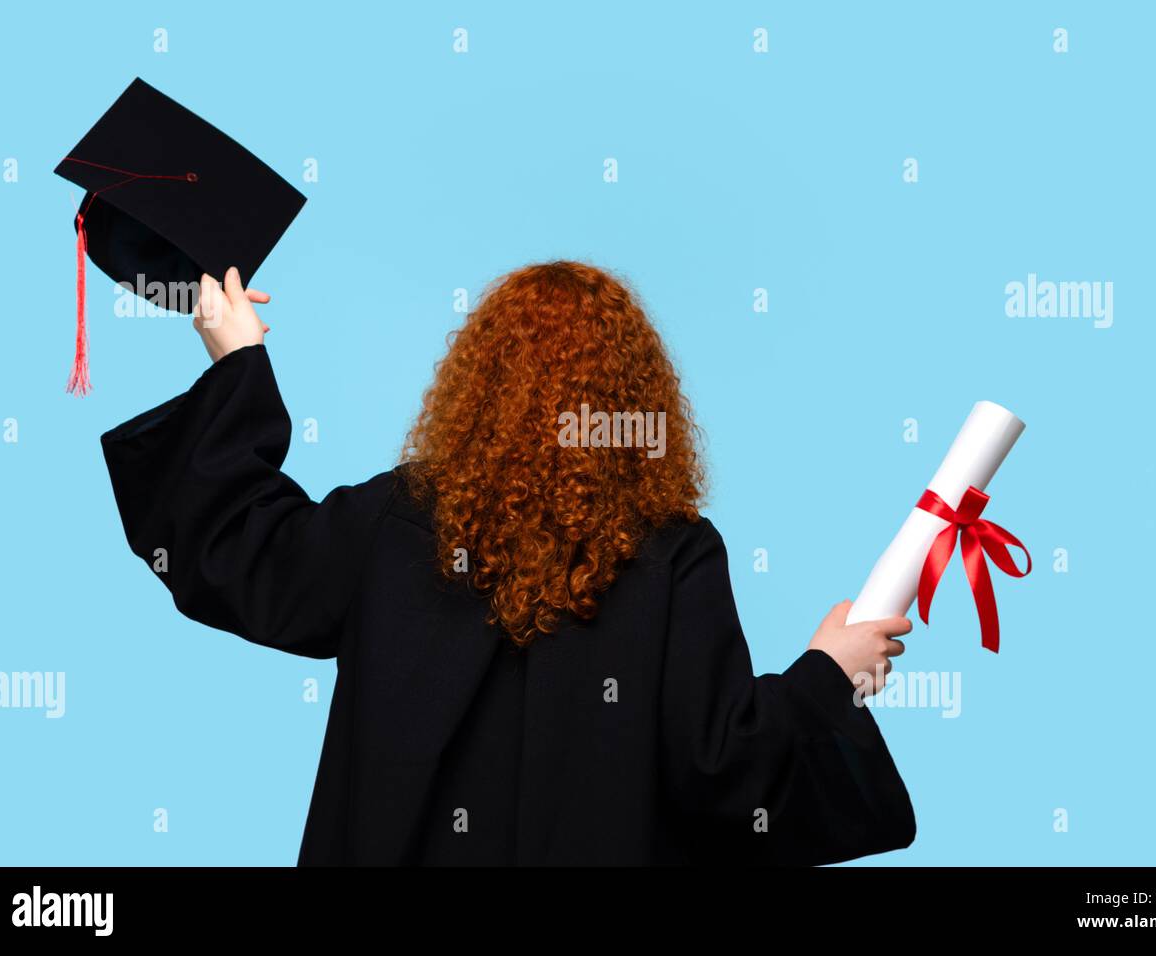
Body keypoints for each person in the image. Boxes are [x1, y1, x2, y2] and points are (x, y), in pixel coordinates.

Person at [101, 260, 916, 865]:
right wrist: (826, 672)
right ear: (636, 400)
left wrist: (237, 360)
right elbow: (721, 771)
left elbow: (237, 548)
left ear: (477, 387)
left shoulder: (398, 523)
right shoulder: (670, 551)